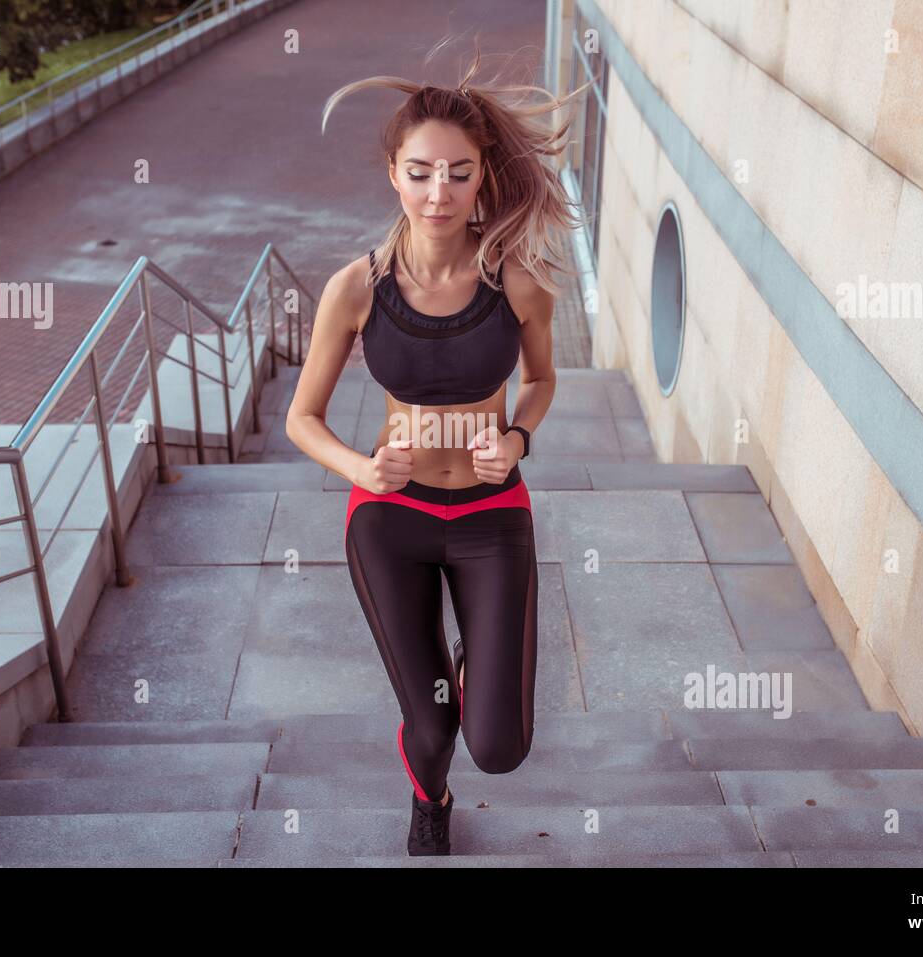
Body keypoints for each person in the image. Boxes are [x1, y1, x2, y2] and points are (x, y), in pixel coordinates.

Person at [286, 39, 589, 856]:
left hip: (492, 514)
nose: (439, 191)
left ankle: (473, 658)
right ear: (394, 172)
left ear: (483, 174)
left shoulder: (517, 281)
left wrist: (519, 438)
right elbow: (301, 418)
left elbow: (544, 381)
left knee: (499, 742)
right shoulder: (356, 289)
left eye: (458, 171)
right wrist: (360, 467)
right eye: (420, 171)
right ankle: (431, 799)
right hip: (391, 518)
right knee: (433, 726)